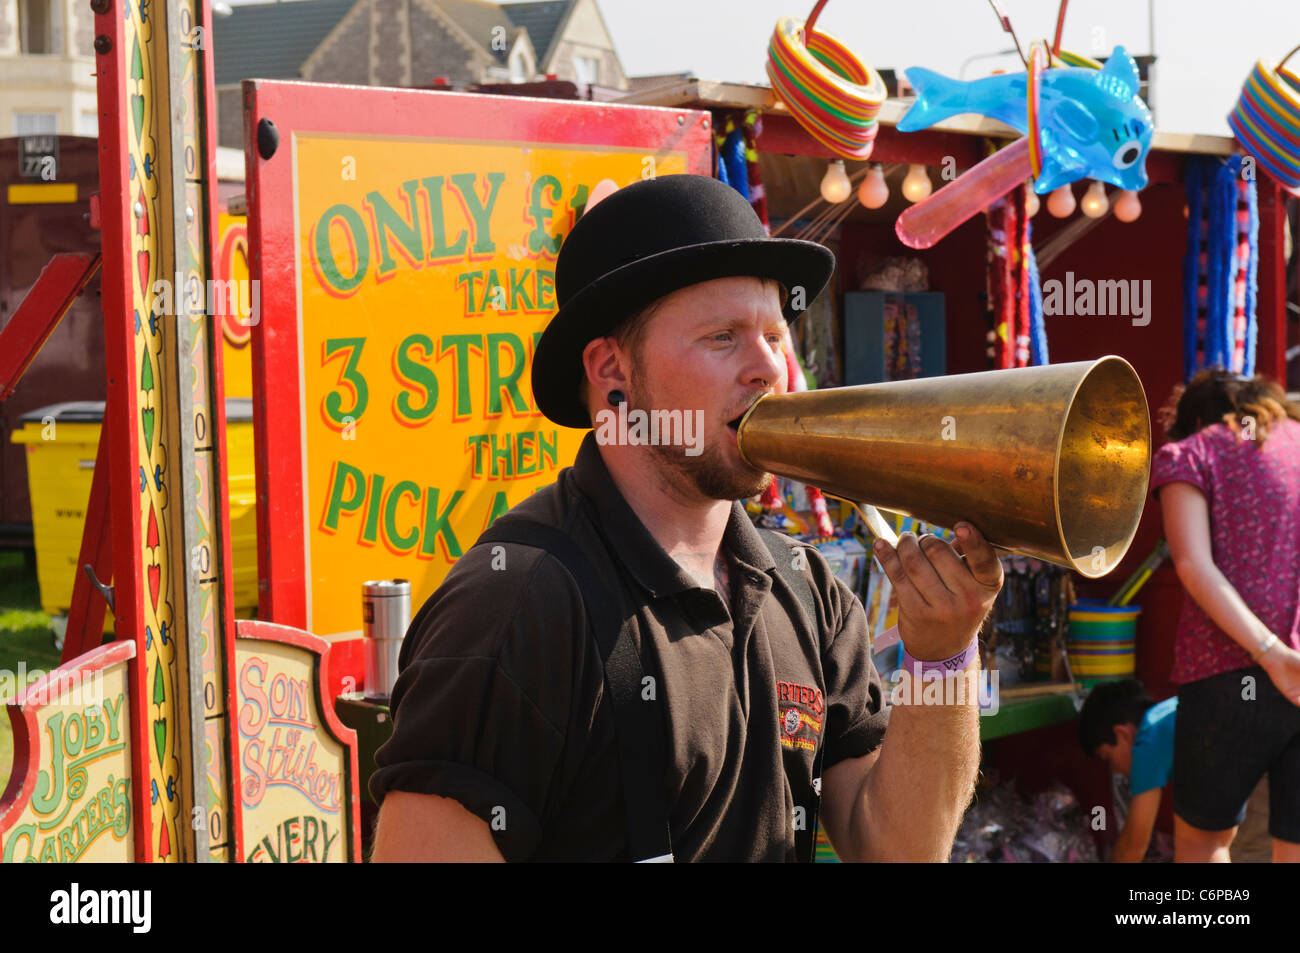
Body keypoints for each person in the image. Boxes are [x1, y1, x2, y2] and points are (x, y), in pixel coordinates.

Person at [366, 174, 1004, 862]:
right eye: (723, 336)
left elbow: (900, 851)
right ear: (612, 370)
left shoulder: (806, 588)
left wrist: (943, 655)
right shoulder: (514, 605)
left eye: (774, 336)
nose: (769, 369)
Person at [1150, 367, 1300, 862]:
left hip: (1225, 676)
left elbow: (1193, 564)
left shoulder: (1192, 451)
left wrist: (1271, 654)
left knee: (1204, 843)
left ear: (1194, 418)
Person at [1078, 679, 1176, 862]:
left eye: (1109, 758)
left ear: (1122, 734)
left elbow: (1134, 845)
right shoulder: (1165, 716)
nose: (1115, 770)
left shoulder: (1147, 744)